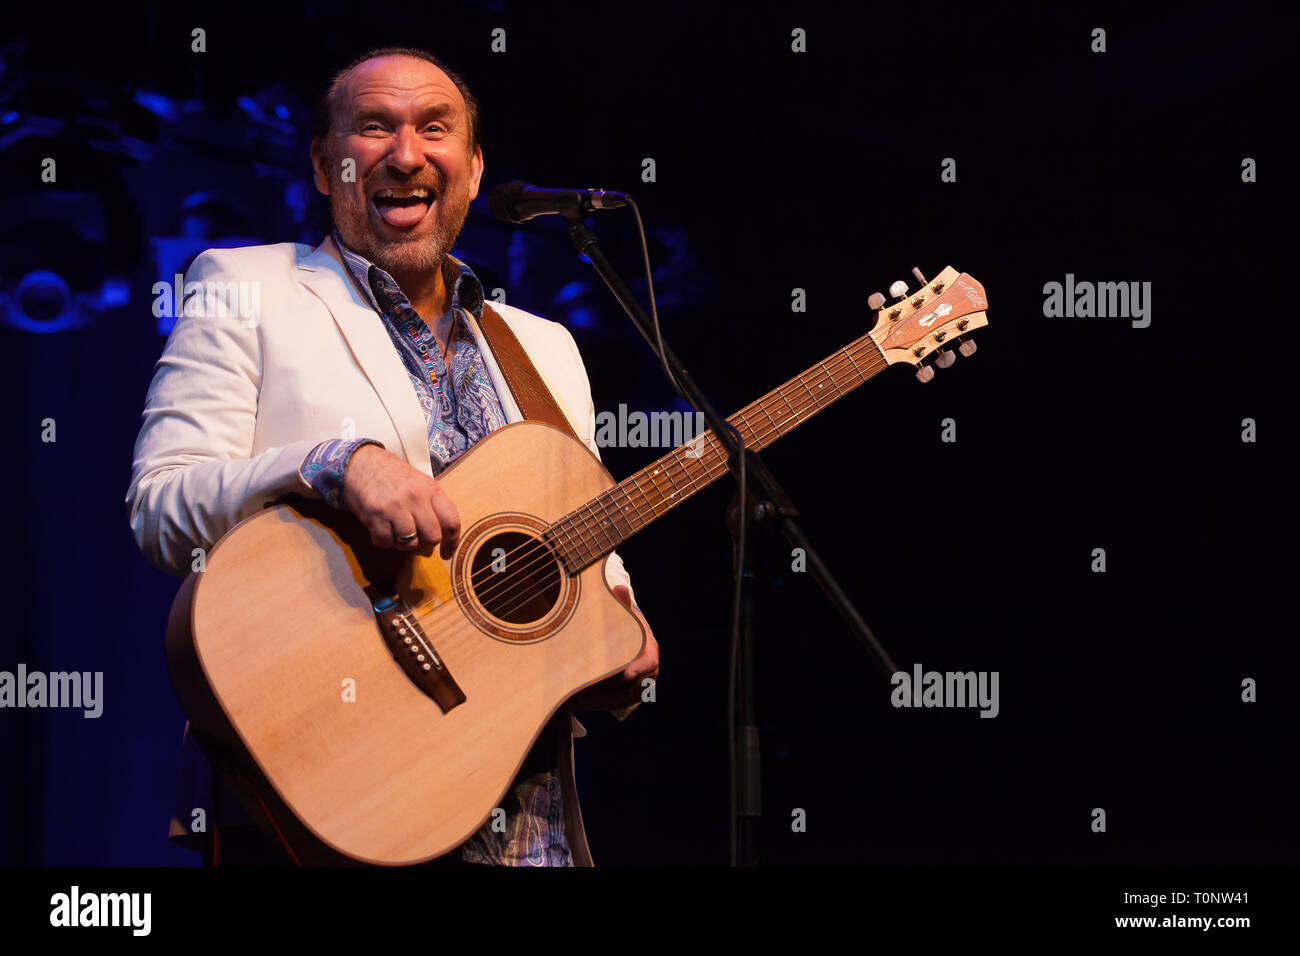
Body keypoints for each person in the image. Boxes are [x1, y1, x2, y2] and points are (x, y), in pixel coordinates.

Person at [125, 46, 658, 867]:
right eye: (374, 127)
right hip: (339, 802)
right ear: (323, 163)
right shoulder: (243, 288)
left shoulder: (545, 350)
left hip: (530, 824)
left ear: (474, 170)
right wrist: (338, 463)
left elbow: (587, 557)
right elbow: (163, 509)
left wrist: (624, 632)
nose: (406, 154)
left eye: (434, 129)